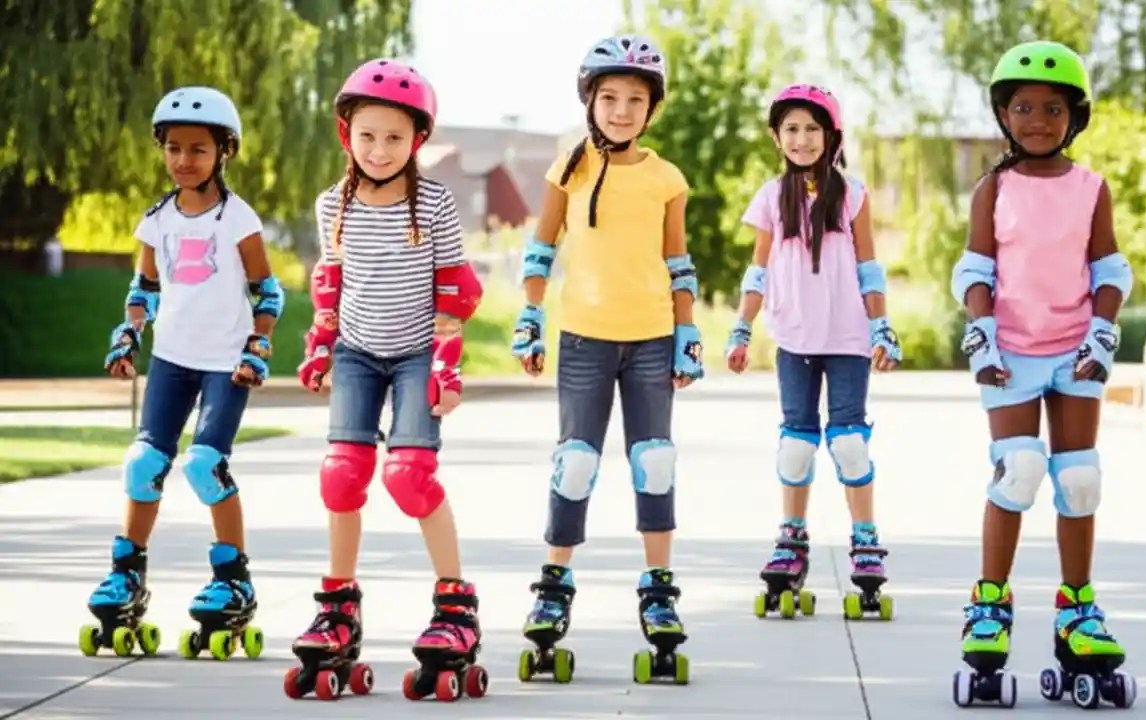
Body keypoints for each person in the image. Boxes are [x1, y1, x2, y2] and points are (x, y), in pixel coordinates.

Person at [286, 58, 488, 702]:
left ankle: (456, 609)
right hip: (355, 352)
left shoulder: (433, 202)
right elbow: (330, 286)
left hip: (415, 355)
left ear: (417, 142)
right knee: (341, 475)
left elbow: (453, 292)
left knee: (409, 475)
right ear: (348, 135)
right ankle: (338, 608)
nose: (380, 149)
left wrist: (447, 369)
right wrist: (319, 348)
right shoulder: (332, 205)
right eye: (368, 136)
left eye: (394, 138)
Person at [510, 34, 703, 685]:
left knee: (655, 461)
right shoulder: (569, 167)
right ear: (590, 101)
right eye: (610, 97)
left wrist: (687, 333)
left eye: (635, 100)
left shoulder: (665, 178)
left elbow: (679, 263)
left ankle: (658, 589)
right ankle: (553, 585)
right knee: (576, 464)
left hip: (650, 339)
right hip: (585, 340)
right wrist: (532, 316)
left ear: (652, 109)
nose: (621, 110)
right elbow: (541, 250)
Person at [949, 41, 1136, 709]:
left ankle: (1076, 608)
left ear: (1074, 116)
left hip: (1077, 348)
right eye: (1022, 107)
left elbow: (1109, 270)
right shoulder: (993, 188)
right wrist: (982, 334)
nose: (1037, 119)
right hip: (1009, 351)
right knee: (1018, 470)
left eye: (1052, 108)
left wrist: (1103, 332)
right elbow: (976, 270)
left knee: (1079, 479)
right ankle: (990, 603)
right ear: (1004, 115)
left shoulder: (1091, 188)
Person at [83, 86, 282, 661]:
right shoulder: (156, 220)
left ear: (224, 151)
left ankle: (233, 579)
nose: (184, 159)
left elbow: (267, 290)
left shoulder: (237, 218)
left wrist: (257, 346)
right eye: (173, 148)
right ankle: (127, 573)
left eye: (198, 149)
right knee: (144, 462)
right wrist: (128, 334)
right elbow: (142, 289)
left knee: (204, 464)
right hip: (172, 357)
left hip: (226, 362)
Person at [725, 84, 903, 622]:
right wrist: (740, 328)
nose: (801, 139)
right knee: (796, 447)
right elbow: (757, 272)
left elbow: (869, 267)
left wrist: (882, 326)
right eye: (791, 129)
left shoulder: (852, 195)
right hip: (794, 340)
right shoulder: (771, 197)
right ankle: (792, 538)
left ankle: (866, 541)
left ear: (832, 136)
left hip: (847, 340)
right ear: (777, 137)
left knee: (849, 445)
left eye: (811, 129)